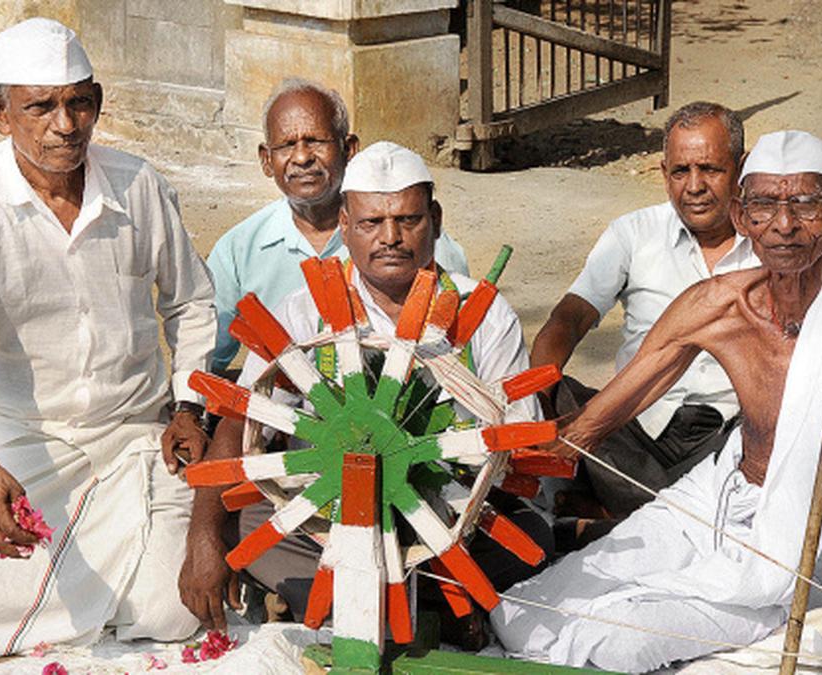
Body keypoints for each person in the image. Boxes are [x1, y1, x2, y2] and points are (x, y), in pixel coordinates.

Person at [492, 130, 822, 673]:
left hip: (813, 535)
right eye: (764, 205)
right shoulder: (716, 305)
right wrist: (504, 462)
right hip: (720, 497)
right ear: (740, 214)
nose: (784, 226)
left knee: (626, 643)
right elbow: (595, 424)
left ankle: (794, 602)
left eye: (805, 204)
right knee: (526, 610)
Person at [179, 141, 549, 634]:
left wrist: (442, 525)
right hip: (327, 523)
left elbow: (520, 439)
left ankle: (383, 606)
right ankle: (427, 613)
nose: (390, 237)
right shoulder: (303, 310)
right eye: (372, 223)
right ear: (346, 228)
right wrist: (204, 537)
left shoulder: (482, 314)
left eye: (408, 220)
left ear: (435, 220)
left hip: (449, 524)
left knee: (530, 536)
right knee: (249, 524)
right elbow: (244, 419)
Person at [0, 18, 216, 657]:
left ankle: (56, 595)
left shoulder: (140, 185)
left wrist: (188, 408)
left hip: (136, 440)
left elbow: (192, 305)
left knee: (172, 611)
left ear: (97, 103)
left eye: (79, 102)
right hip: (13, 441)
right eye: (42, 106)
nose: (66, 124)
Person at [532, 101, 758, 533]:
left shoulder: (770, 247)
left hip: (726, 439)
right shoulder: (632, 234)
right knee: (556, 393)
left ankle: (618, 517)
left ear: (741, 168)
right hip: (628, 431)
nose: (694, 186)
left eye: (710, 169)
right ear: (663, 172)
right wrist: (537, 396)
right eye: (680, 172)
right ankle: (652, 517)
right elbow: (570, 318)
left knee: (771, 443)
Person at [207, 79, 469, 374]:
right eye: (287, 145)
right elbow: (208, 356)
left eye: (315, 141)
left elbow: (461, 344)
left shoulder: (420, 246)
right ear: (266, 160)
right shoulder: (238, 250)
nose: (302, 157)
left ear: (349, 149)